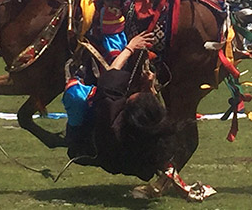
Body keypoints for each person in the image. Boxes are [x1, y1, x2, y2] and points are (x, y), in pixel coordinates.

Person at [62, 31, 175, 181]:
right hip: (127, 163)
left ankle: (73, 134)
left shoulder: (112, 116)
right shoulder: (147, 132)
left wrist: (130, 47)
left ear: (130, 109)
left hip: (84, 150)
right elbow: (150, 114)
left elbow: (112, 73)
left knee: (75, 93)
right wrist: (148, 87)